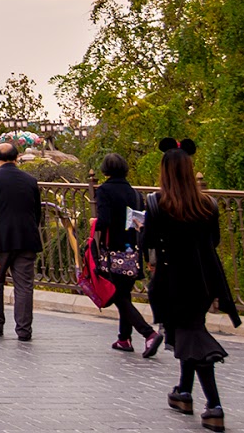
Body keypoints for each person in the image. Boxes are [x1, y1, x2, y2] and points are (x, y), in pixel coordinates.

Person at [144, 147, 238, 431]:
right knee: (188, 328)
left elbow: (148, 241)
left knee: (193, 336)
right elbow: (215, 241)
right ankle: (183, 392)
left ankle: (214, 405)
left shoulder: (157, 203)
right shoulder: (208, 205)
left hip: (173, 279)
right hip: (205, 278)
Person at [0, 142, 43, 341]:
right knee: (24, 286)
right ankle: (24, 330)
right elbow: (37, 212)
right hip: (26, 238)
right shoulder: (30, 180)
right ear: (17, 157)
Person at [95, 152, 160, 354]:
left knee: (117, 295)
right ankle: (124, 339)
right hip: (132, 249)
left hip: (113, 250)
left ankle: (148, 333)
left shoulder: (104, 191)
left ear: (105, 170)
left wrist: (94, 223)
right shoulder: (134, 193)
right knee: (124, 293)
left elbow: (104, 221)